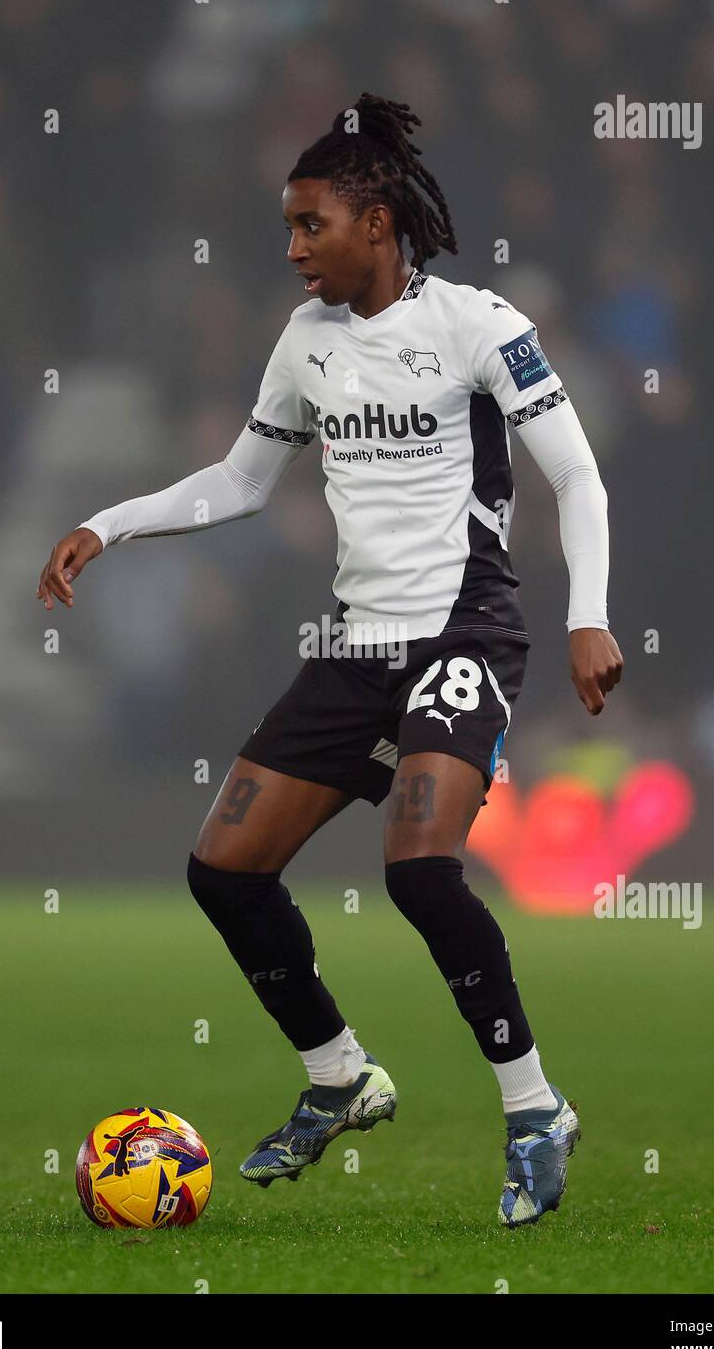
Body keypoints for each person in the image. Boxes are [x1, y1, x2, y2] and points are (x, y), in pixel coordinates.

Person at [37, 92, 623, 1226]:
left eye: (312, 224)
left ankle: (534, 1105)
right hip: (359, 649)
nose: (295, 248)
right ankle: (340, 1074)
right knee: (224, 869)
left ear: (378, 219)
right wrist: (107, 525)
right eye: (290, 228)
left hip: (464, 632)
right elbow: (241, 481)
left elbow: (579, 476)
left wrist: (590, 614)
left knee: (418, 868)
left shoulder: (477, 324)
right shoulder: (306, 342)